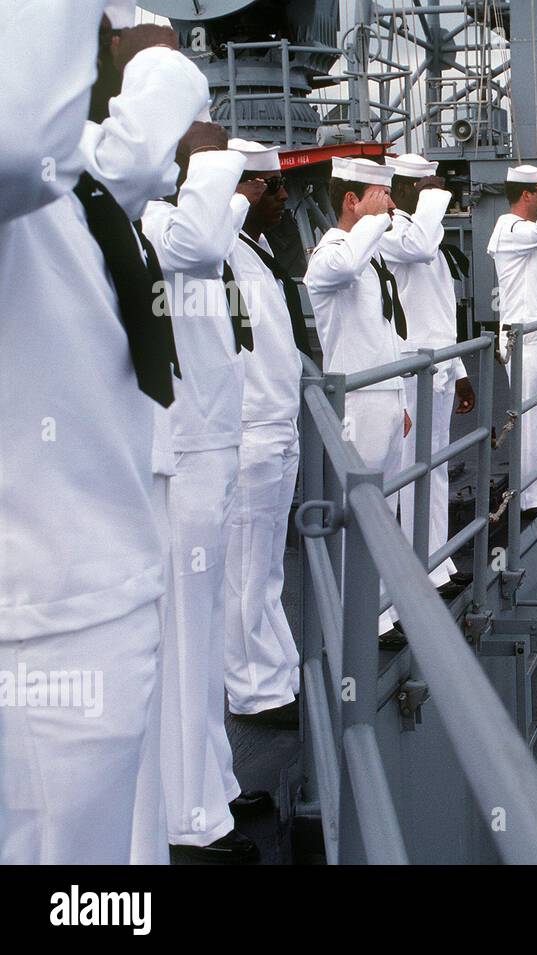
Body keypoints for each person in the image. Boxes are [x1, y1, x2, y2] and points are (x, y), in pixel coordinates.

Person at [0, 5, 208, 864]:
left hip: (92, 599)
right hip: (44, 625)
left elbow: (114, 158)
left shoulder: (73, 175)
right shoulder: (26, 156)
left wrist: (158, 62)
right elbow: (20, 137)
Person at [141, 122, 259, 862]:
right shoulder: (161, 223)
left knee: (205, 632)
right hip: (184, 453)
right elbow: (202, 243)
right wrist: (210, 156)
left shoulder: (193, 221)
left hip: (212, 445)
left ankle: (210, 784)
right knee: (184, 639)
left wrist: (223, 173)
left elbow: (221, 228)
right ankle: (186, 814)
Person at [305, 157, 408, 634]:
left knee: (386, 510)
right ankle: (357, 620)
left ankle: (384, 610)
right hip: (359, 401)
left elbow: (387, 330)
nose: (389, 203)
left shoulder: (372, 253)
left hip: (386, 397)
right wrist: (376, 223)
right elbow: (343, 266)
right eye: (378, 195)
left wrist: (403, 397)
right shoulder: (331, 251)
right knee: (361, 513)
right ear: (350, 200)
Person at [223, 139, 306, 728]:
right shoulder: (220, 245)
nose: (282, 196)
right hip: (250, 425)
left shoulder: (255, 248)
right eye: (267, 186)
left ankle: (277, 673)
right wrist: (226, 191)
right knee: (246, 566)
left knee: (267, 566)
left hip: (279, 421)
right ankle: (252, 690)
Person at [379, 154, 475, 592]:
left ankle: (434, 565)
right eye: (424, 187)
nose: (434, 195)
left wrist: (459, 370)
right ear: (400, 191)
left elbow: (440, 312)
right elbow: (416, 247)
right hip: (407, 372)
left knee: (433, 467)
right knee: (403, 479)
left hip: (436, 368)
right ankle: (398, 585)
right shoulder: (390, 230)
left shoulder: (425, 232)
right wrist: (434, 197)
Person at [485, 164, 537, 513]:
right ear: (528, 194)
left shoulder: (527, 230)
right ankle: (528, 498)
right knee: (529, 419)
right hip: (522, 339)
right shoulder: (509, 227)